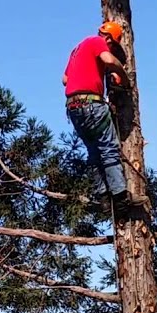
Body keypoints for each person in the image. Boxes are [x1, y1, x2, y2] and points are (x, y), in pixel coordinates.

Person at [62, 21, 133, 210]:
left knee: (94, 151)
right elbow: (109, 60)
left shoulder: (77, 50)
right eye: (112, 46)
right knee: (109, 147)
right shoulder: (97, 41)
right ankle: (120, 196)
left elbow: (65, 79)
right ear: (108, 38)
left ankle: (102, 197)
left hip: (74, 107)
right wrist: (124, 77)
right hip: (91, 103)